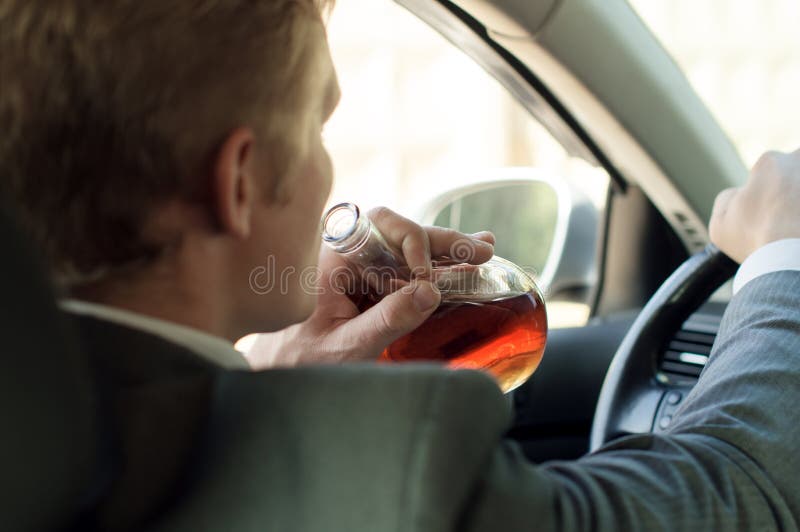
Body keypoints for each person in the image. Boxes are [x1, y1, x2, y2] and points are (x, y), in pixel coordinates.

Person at [1, 0, 799, 530]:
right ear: (237, 184)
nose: (326, 172)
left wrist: (268, 387)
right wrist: (781, 255)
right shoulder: (395, 467)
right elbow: (741, 493)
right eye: (317, 129)